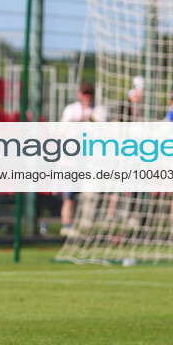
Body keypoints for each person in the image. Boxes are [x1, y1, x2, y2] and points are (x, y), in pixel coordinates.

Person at [59, 82, 107, 235]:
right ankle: (67, 226)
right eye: (84, 93)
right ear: (79, 94)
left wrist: (90, 119)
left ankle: (86, 226)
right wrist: (79, 120)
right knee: (69, 196)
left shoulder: (99, 110)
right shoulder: (71, 110)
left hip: (90, 162)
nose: (87, 97)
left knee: (90, 195)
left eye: (89, 93)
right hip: (71, 160)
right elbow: (62, 131)